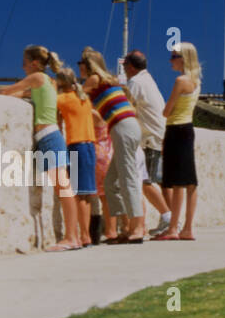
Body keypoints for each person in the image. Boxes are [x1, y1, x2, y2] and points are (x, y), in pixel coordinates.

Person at [0, 46, 81, 251]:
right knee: (64, 188)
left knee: (63, 188)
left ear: (35, 63)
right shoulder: (48, 82)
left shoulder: (37, 77)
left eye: (25, 62)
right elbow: (21, 94)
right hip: (51, 136)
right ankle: (74, 237)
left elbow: (6, 91)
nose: (22, 66)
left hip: (49, 137)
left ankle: (71, 237)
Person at [78, 47, 146, 243]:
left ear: (88, 65)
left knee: (128, 179)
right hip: (125, 127)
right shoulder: (107, 79)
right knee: (111, 183)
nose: (79, 67)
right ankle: (125, 227)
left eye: (80, 63)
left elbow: (78, 98)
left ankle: (138, 228)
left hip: (122, 127)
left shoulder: (94, 80)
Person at [121, 51, 173, 237]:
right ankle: (169, 220)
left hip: (150, 138)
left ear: (131, 67)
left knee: (145, 180)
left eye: (125, 67)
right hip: (158, 135)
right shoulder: (148, 79)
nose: (124, 71)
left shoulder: (135, 82)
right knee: (157, 181)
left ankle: (168, 218)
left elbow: (125, 105)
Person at [155, 42, 201, 241]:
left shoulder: (181, 81)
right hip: (188, 129)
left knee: (176, 182)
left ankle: (173, 227)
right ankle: (187, 228)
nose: (171, 60)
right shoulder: (196, 81)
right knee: (190, 181)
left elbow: (167, 111)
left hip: (175, 129)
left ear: (184, 58)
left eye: (174, 56)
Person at [54, 67, 102, 248]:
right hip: (89, 145)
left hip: (76, 145)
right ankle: (86, 234)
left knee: (78, 194)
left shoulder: (62, 99)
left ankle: (84, 236)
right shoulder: (83, 98)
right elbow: (97, 119)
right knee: (87, 194)